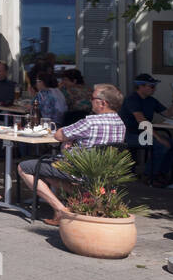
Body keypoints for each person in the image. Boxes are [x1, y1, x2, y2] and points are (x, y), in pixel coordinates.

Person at [18, 84, 127, 223]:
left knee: (25, 167)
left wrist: (69, 141)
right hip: (104, 172)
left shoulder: (90, 122)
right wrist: (73, 141)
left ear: (102, 103)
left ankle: (60, 209)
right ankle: (87, 197)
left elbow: (59, 135)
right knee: (49, 172)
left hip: (77, 169)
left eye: (92, 98)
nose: (90, 101)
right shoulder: (121, 124)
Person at [121, 73, 173, 183]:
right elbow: (141, 120)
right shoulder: (132, 99)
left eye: (154, 86)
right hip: (130, 135)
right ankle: (149, 175)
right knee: (161, 144)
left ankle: (160, 172)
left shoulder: (151, 100)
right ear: (140, 86)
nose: (154, 88)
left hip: (144, 134)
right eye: (151, 86)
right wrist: (159, 138)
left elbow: (170, 114)